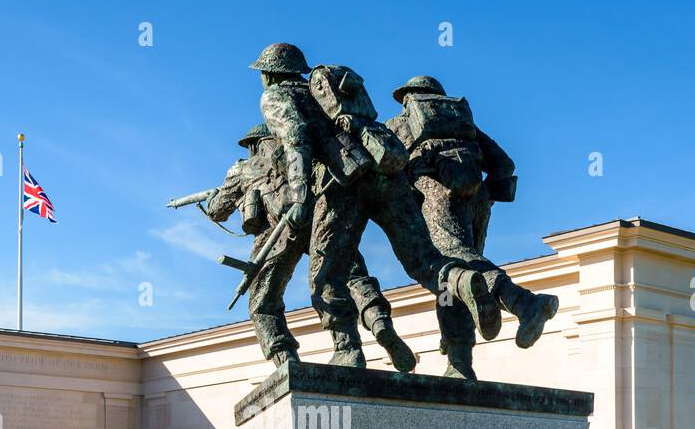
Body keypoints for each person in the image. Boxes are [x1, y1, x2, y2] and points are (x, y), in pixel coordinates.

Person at [204, 123, 416, 373]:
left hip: (277, 236)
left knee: (263, 303)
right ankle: (377, 322)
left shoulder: (242, 168)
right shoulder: (300, 150)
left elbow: (217, 211)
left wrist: (213, 197)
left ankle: (287, 360)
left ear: (251, 145)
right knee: (351, 274)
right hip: (318, 217)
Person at [386, 75, 557, 354]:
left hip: (434, 194)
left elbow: (384, 163)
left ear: (408, 98)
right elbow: (504, 164)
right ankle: (459, 356)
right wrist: (482, 195)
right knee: (459, 277)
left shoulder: (399, 124)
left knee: (454, 265)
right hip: (478, 198)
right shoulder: (466, 128)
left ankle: (524, 303)